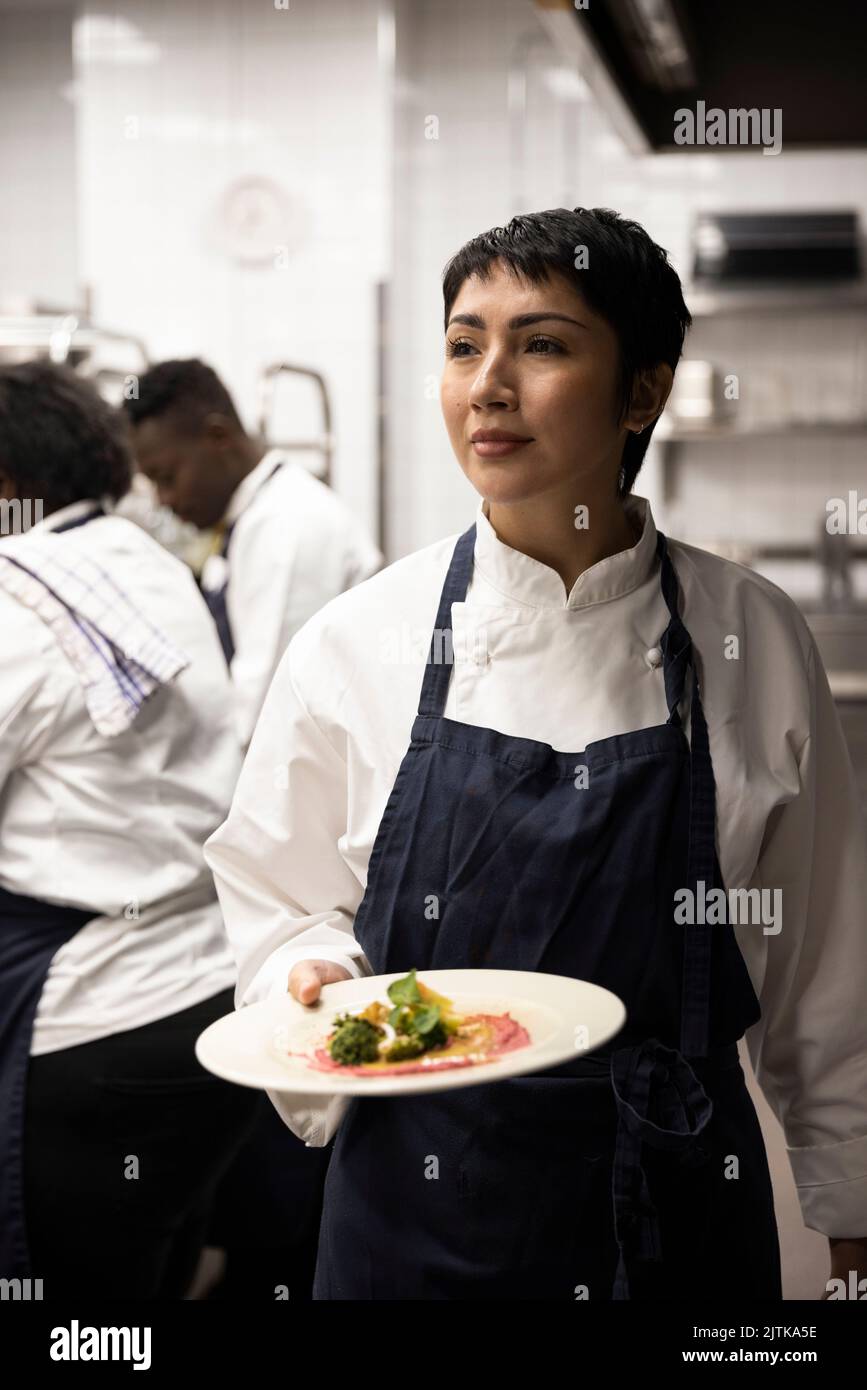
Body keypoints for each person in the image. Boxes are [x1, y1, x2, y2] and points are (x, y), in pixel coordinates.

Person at [203, 207, 867, 1300]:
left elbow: (826, 971)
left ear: (644, 389)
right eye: (465, 345)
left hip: (676, 1213)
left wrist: (849, 1221)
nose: (487, 384)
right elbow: (278, 898)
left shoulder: (750, 637)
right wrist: (304, 976)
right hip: (414, 1212)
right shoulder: (358, 641)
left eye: (543, 344)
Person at [0, 361, 260, 1298]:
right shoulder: (136, 557)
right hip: (208, 989)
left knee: (75, 1302)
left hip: (98, 1022)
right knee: (152, 1266)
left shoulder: (18, 594)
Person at [124, 359, 383, 751]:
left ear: (218, 436)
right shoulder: (250, 517)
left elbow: (265, 717)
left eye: (167, 477)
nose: (165, 500)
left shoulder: (286, 526)